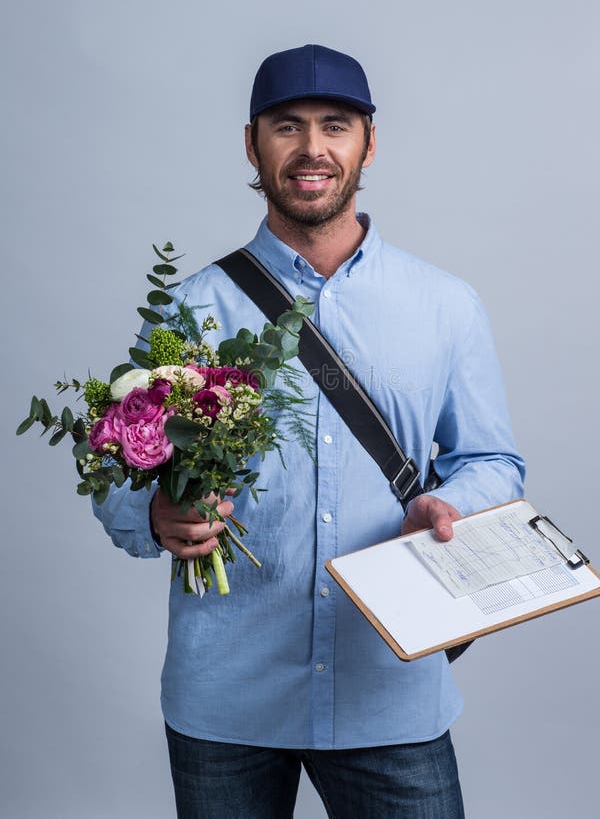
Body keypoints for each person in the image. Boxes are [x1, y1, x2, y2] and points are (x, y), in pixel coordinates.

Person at [94, 44, 525, 818]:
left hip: (389, 689)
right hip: (225, 698)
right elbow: (123, 469)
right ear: (252, 143)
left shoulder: (446, 304)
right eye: (287, 126)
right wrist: (153, 516)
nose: (313, 149)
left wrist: (449, 508)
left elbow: (490, 460)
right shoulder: (189, 310)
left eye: (336, 125)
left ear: (369, 142)